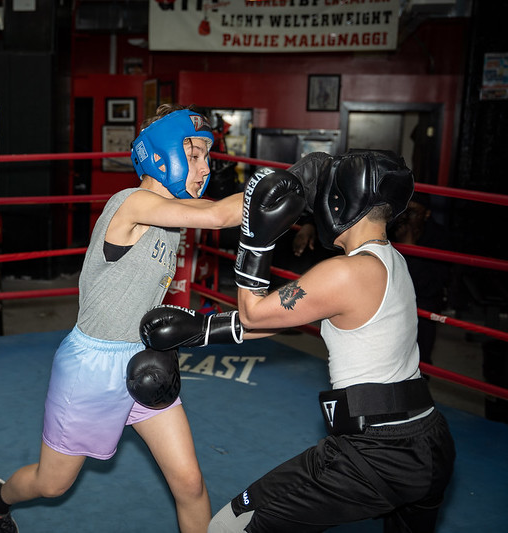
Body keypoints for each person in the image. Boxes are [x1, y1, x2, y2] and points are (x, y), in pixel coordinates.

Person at [140, 149, 456, 532]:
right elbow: (283, 314)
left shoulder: (345, 273)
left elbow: (255, 311)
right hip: (429, 442)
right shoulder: (391, 261)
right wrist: (204, 331)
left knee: (231, 524)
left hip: (374, 454)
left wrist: (256, 236)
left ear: (339, 199)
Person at [0, 104, 247, 533]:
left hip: (146, 363)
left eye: (206, 157)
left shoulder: (172, 217)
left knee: (190, 484)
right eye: (194, 155)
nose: (205, 168)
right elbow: (216, 216)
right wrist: (289, 185)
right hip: (91, 367)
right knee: (52, 484)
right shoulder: (132, 203)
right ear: (162, 156)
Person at [389, 192, 452, 366]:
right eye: (404, 211)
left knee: (419, 356)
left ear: (427, 214)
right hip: (391, 299)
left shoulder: (439, 237)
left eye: (414, 212)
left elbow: (431, 287)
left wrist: (410, 249)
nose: (407, 218)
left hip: (423, 302)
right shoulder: (392, 230)